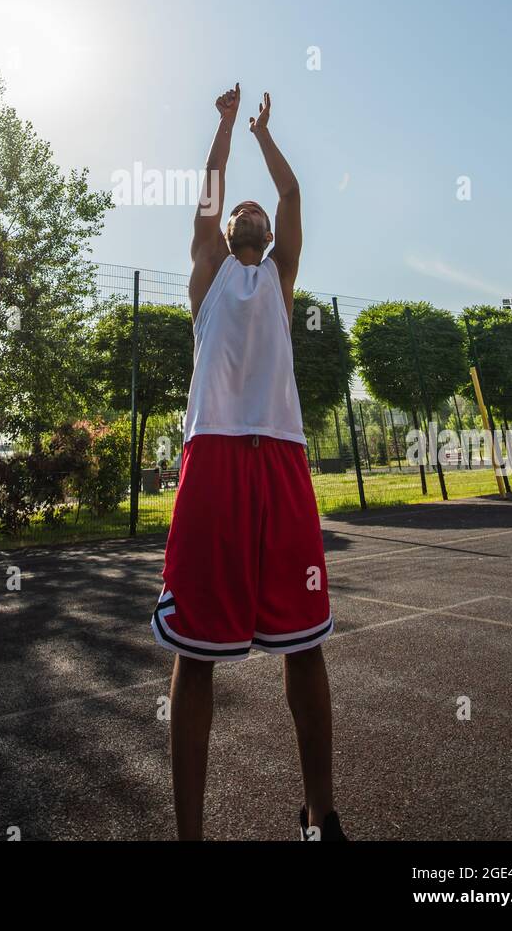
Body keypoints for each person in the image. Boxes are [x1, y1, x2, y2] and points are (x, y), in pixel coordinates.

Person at [150, 84, 346, 842]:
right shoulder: (209, 274)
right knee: (196, 653)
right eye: (242, 214)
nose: (252, 215)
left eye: (259, 216)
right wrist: (225, 129)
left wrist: (266, 134)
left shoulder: (280, 278)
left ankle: (318, 814)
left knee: (305, 642)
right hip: (217, 458)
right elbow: (209, 195)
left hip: (283, 461)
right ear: (228, 229)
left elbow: (291, 189)